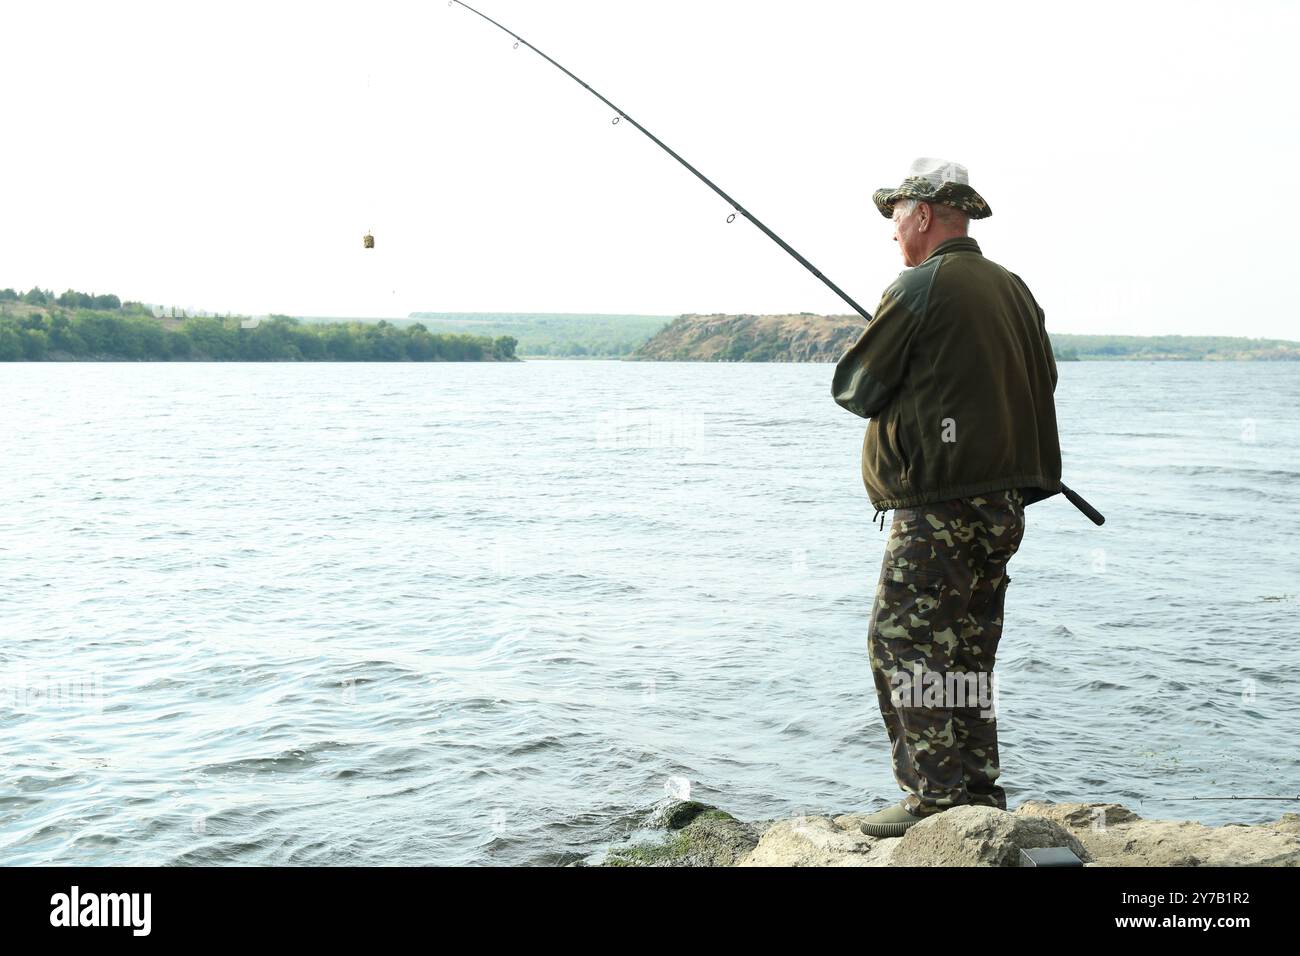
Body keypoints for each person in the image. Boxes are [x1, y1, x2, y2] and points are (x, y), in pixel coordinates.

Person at [831, 157, 1062, 838]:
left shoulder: (920, 285)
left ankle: (934, 798)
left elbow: (857, 389)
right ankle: (977, 792)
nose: (892, 230)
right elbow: (1041, 380)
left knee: (903, 645)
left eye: (895, 214)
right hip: (1002, 508)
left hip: (940, 508)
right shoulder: (1013, 289)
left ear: (923, 213)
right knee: (964, 648)